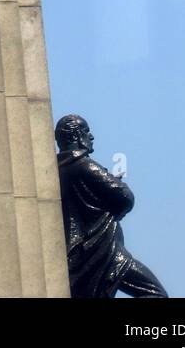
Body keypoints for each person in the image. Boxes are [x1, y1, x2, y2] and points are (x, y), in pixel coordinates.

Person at [55, 114, 167, 298]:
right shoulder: (83, 164)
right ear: (75, 136)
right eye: (86, 132)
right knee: (155, 293)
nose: (91, 137)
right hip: (105, 253)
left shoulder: (57, 171)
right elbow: (125, 197)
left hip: (76, 257)